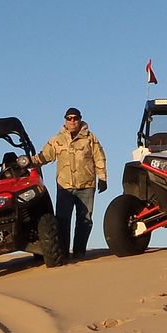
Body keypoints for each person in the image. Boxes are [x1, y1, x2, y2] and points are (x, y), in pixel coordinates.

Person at [36, 107, 108, 260]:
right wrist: (28, 162)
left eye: (75, 118)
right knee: (62, 221)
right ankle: (62, 253)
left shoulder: (90, 138)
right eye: (69, 118)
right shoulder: (57, 139)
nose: (72, 121)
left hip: (86, 185)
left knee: (85, 220)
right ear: (65, 120)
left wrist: (102, 178)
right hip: (65, 187)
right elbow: (44, 156)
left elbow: (99, 157)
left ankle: (79, 252)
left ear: (80, 119)